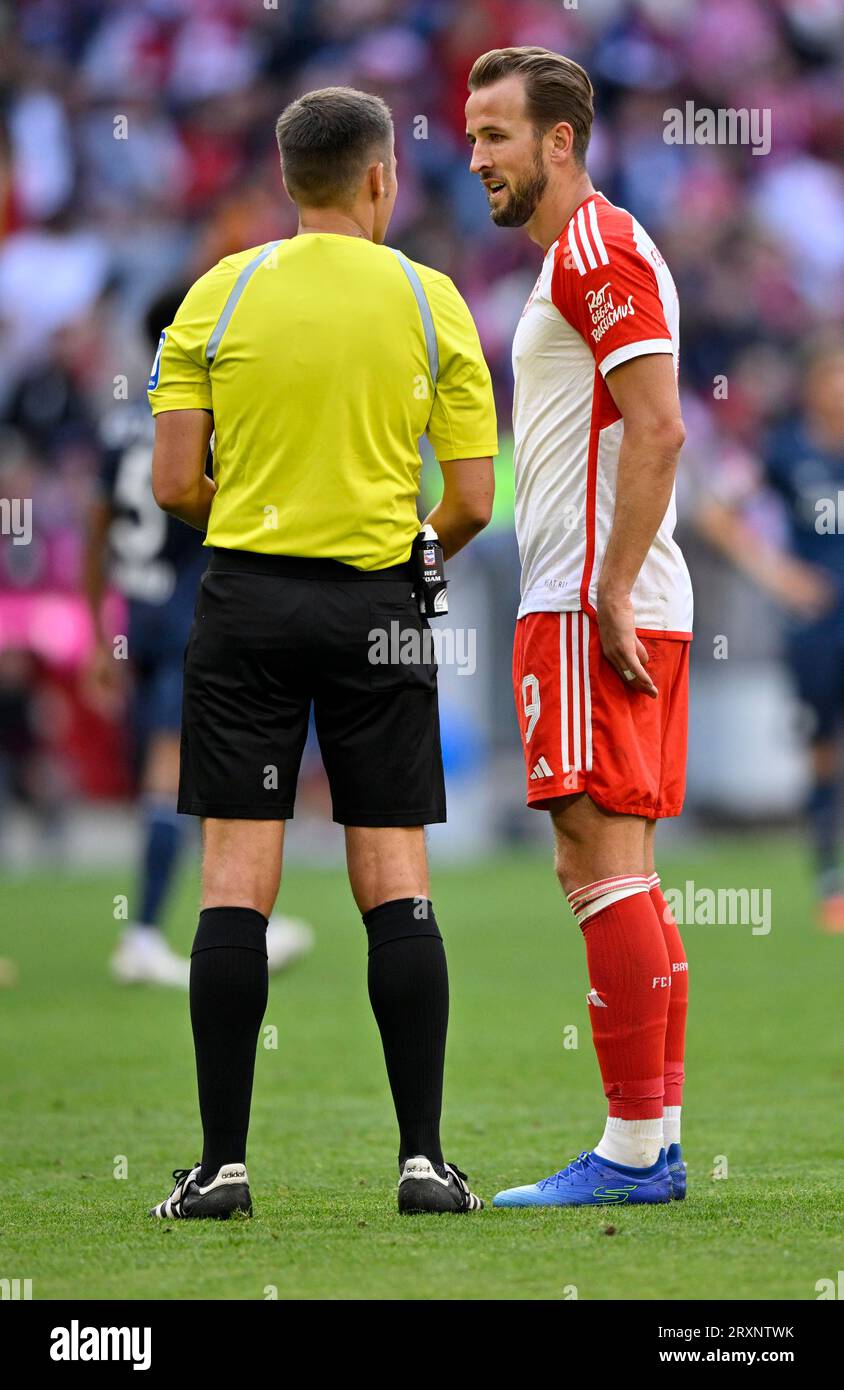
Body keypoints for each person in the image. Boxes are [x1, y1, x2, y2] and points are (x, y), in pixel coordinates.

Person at [146, 87, 497, 1219]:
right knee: (393, 876)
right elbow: (474, 500)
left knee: (235, 883)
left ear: (289, 180)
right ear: (381, 178)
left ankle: (222, 1169)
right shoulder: (428, 298)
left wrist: (261, 525)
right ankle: (423, 1163)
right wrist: (407, 550)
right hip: (378, 603)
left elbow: (171, 485)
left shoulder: (219, 289)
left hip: (245, 599)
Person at [465, 47, 692, 1207]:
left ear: (559, 141)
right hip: (608, 593)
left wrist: (606, 585)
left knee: (592, 864)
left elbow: (658, 428)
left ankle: (631, 1152)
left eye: (496, 135)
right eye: (469, 136)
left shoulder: (597, 246)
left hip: (586, 601)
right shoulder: (582, 251)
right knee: (626, 872)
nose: (474, 158)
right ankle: (655, 1139)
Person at [83, 290, 313, 986]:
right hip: (193, 614)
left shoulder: (120, 423)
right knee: (176, 768)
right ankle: (147, 932)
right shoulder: (199, 416)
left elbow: (96, 535)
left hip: (139, 616)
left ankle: (238, 922)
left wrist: (100, 635)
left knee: (201, 771)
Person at [692, 337, 844, 932]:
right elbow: (716, 515)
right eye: (830, 376)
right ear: (810, 388)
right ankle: (831, 882)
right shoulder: (786, 452)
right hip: (818, 627)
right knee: (823, 751)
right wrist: (780, 577)